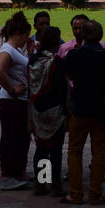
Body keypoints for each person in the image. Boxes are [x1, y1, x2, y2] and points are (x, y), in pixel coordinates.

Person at [61, 20, 105, 205]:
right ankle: (95, 193)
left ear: (83, 35)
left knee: (75, 151)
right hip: (102, 109)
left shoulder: (75, 55)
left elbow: (69, 77)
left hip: (80, 108)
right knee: (99, 152)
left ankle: (75, 193)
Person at [0, 11, 32, 190]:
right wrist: (11, 89)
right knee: (11, 138)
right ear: (18, 34)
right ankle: (7, 175)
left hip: (18, 101)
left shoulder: (14, 50)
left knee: (20, 138)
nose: (26, 39)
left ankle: (17, 172)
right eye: (25, 35)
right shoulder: (8, 49)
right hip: (11, 100)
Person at [28, 25, 68, 196]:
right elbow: (61, 89)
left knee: (42, 147)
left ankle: (41, 182)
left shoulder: (33, 61)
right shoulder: (56, 62)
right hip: (55, 109)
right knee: (56, 149)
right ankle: (55, 184)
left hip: (38, 108)